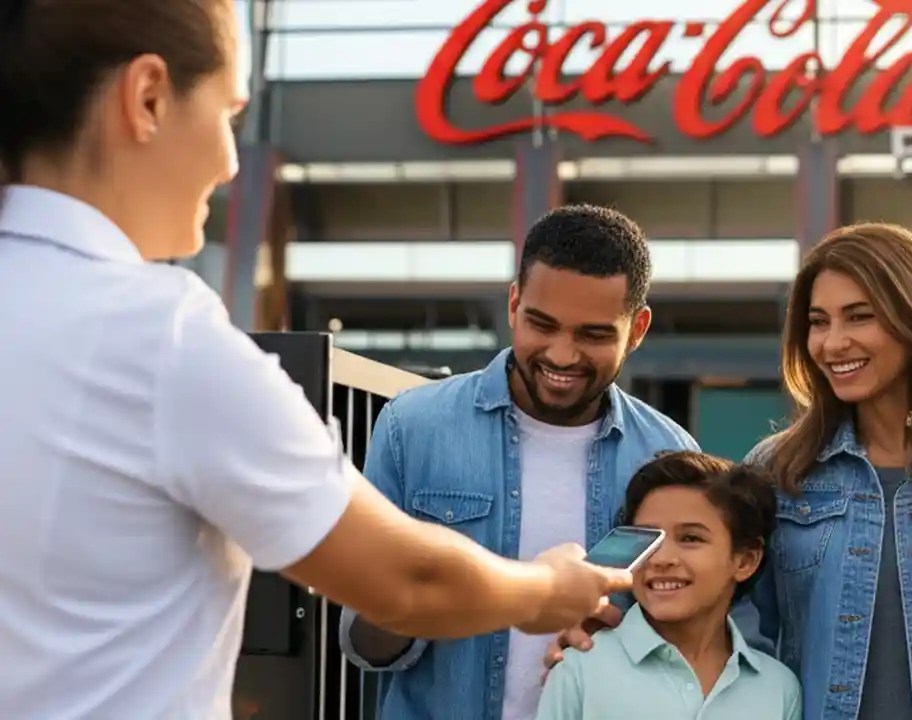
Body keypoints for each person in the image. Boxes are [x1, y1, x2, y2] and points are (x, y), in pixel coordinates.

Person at [0, 2, 630, 718]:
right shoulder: (160, 338)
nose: (230, 161)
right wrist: (548, 588)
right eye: (229, 116)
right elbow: (403, 582)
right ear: (147, 98)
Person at [547, 222, 912, 719]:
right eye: (817, 322)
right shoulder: (779, 470)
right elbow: (728, 631)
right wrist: (598, 623)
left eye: (860, 316)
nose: (833, 343)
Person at [337, 204, 700, 720]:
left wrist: (627, 640)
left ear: (637, 329)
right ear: (513, 304)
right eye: (541, 324)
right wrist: (421, 593)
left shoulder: (671, 455)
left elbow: (694, 645)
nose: (561, 355)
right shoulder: (412, 427)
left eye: (593, 335)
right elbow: (362, 646)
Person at [536, 451, 801, 720]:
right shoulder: (580, 668)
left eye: (690, 538)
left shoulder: (778, 688)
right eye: (647, 539)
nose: (661, 559)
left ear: (745, 560)